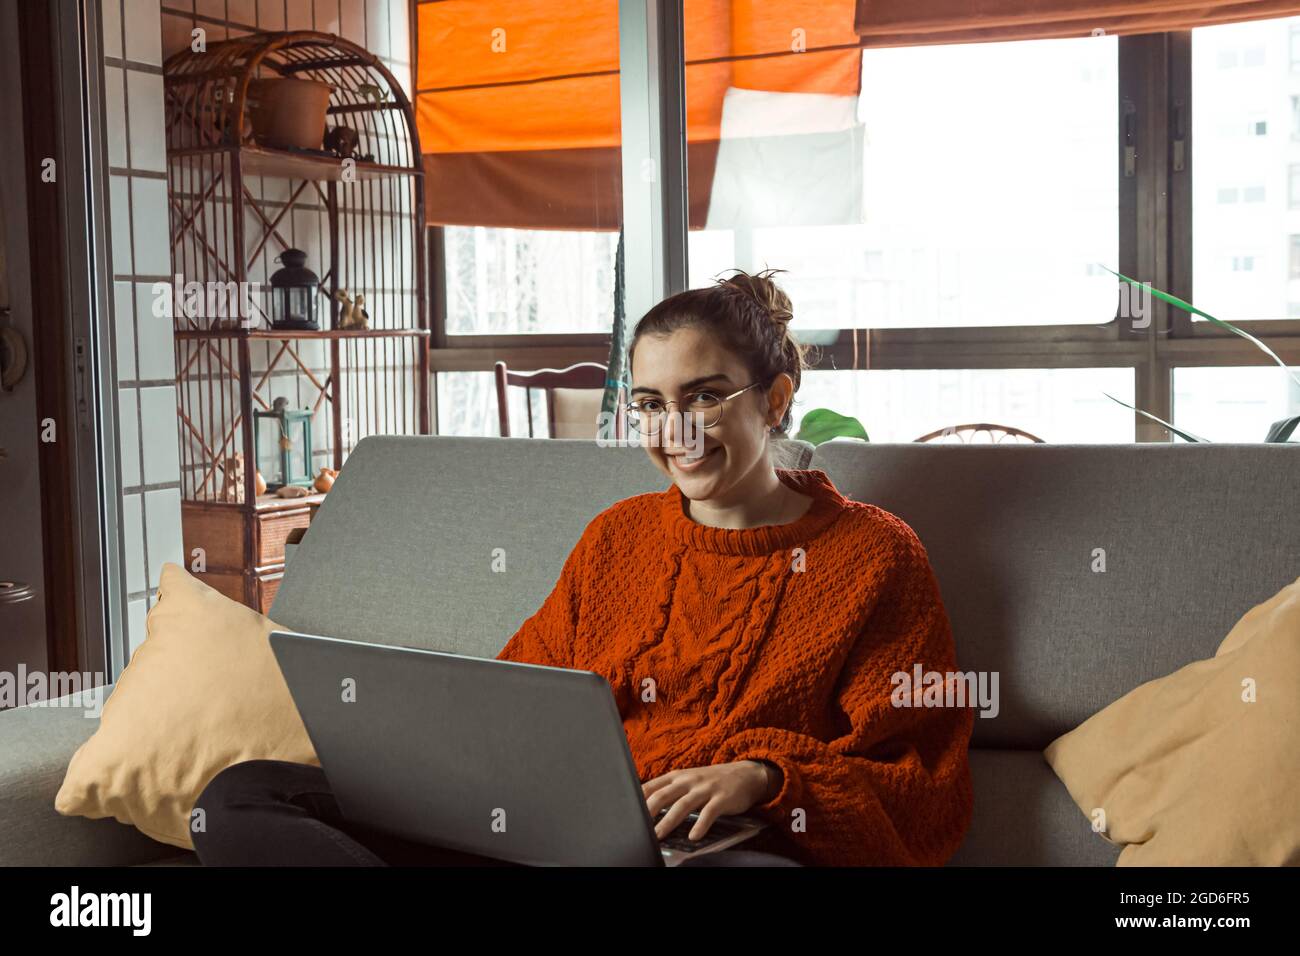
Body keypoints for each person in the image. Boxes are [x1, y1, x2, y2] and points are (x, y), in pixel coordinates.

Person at [191, 269, 974, 867]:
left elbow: (921, 791)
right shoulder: (619, 537)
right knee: (242, 795)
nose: (678, 433)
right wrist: (433, 767)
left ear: (773, 400)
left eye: (702, 397)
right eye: (651, 404)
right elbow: (514, 696)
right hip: (549, 823)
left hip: (719, 849)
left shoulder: (875, 554)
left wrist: (765, 778)